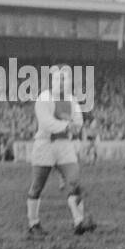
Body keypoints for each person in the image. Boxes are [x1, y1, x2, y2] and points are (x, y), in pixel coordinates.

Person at [27, 68, 94, 237]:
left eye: (66, 79)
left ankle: (79, 221)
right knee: (37, 186)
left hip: (64, 145)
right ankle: (33, 223)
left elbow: (78, 121)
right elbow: (47, 122)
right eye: (59, 79)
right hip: (45, 144)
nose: (63, 83)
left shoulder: (72, 101)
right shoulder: (44, 98)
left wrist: (74, 126)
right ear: (53, 81)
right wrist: (67, 125)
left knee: (74, 181)